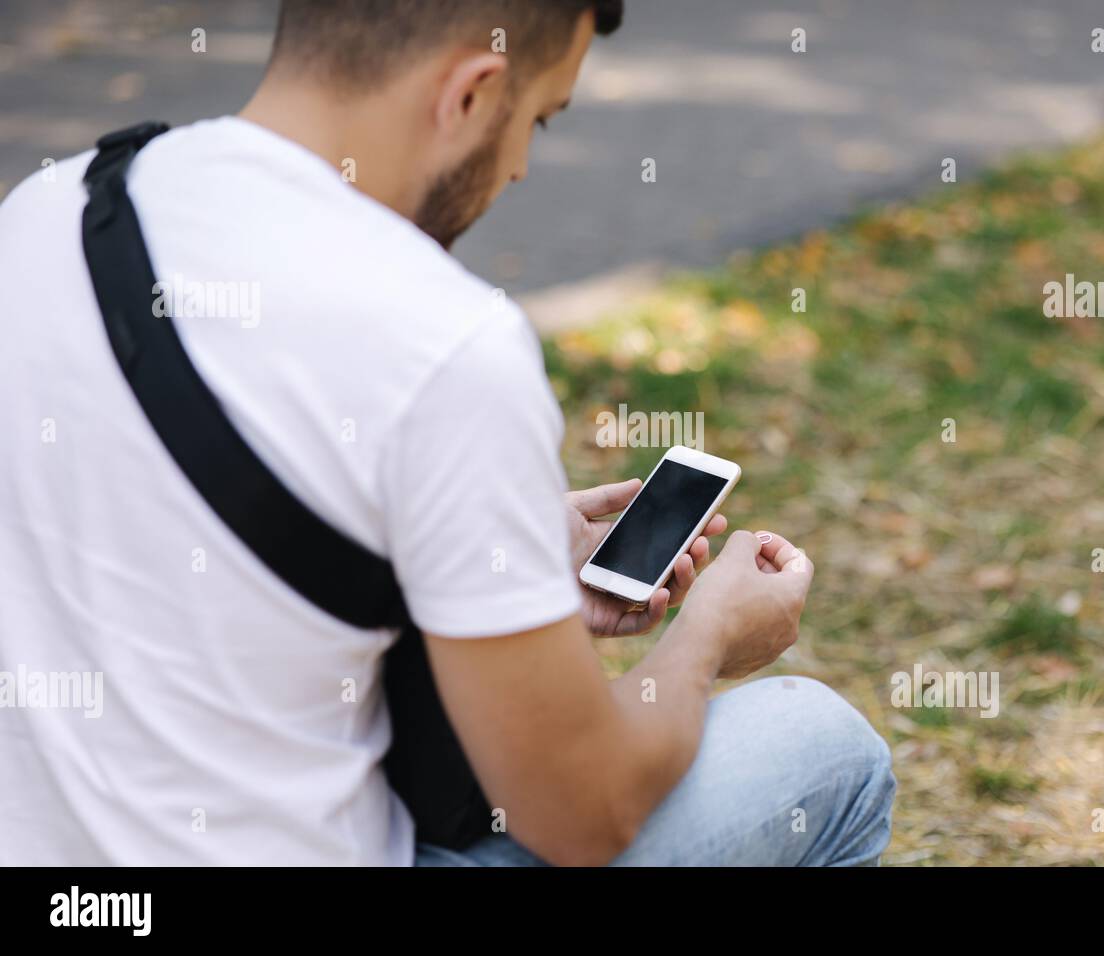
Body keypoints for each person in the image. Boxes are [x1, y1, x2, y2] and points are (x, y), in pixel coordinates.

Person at [0, 0, 894, 866]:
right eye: (537, 121)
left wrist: (498, 560)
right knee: (827, 749)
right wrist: (706, 637)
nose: (519, 171)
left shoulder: (48, 211)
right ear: (470, 92)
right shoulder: (442, 343)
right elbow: (585, 816)